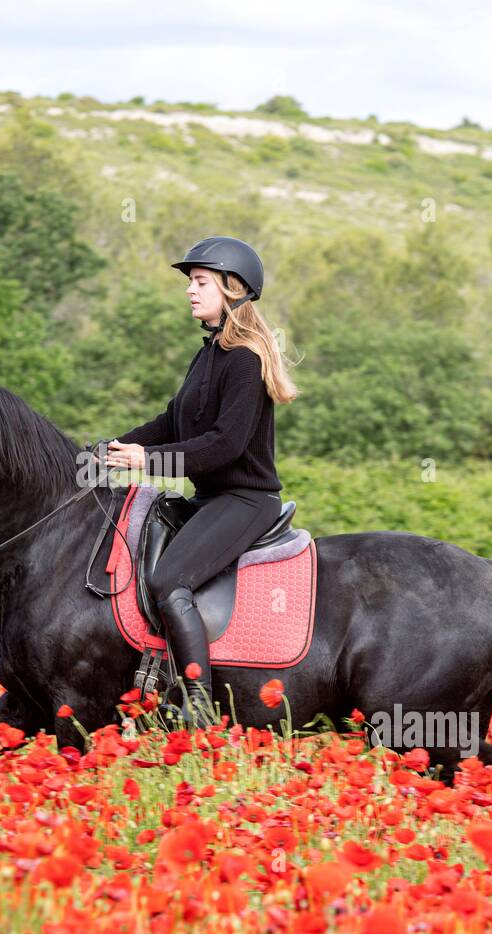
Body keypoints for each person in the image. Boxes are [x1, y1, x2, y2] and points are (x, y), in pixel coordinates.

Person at [105, 236, 298, 724]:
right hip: (212, 498)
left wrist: (145, 460)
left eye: (200, 282)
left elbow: (223, 446)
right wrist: (103, 451)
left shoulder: (244, 359)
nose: (190, 291)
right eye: (191, 283)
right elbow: (170, 423)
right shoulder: (209, 353)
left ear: (233, 289)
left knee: (170, 581)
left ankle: (196, 703)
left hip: (246, 500)